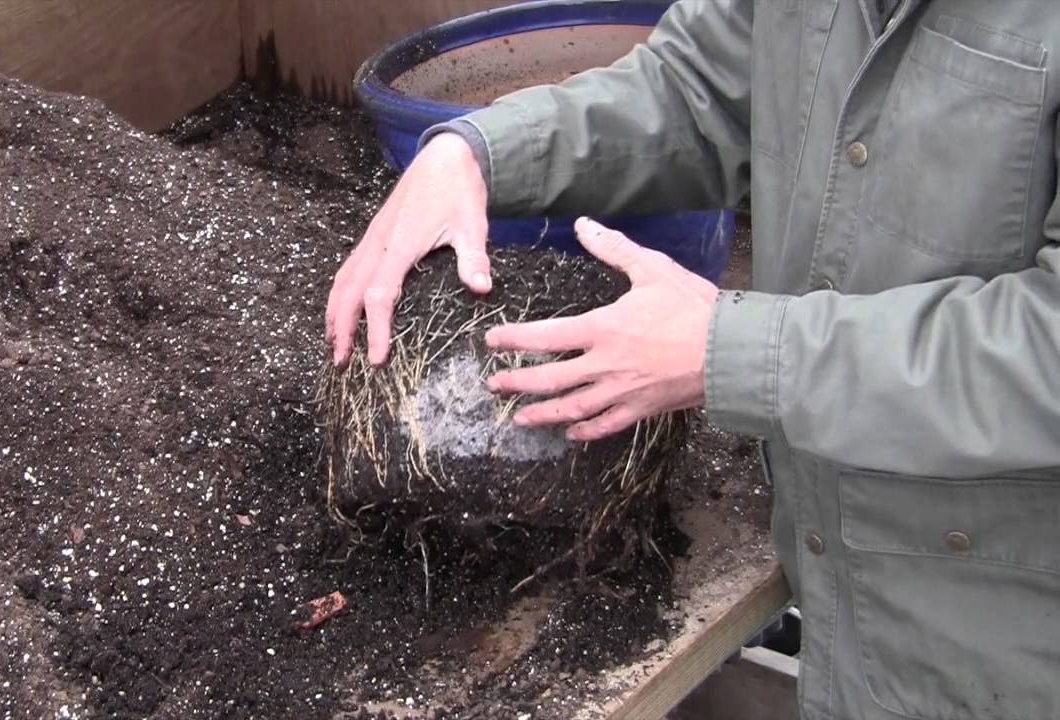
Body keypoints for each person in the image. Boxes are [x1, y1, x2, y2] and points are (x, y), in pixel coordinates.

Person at [325, 1, 1060, 718]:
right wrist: (481, 151)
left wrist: (731, 352)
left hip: (1007, 636)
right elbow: (697, 91)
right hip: (848, 584)